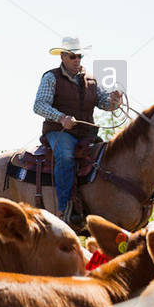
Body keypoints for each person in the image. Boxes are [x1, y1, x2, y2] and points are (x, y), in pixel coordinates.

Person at [33, 36, 123, 230]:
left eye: (79, 56)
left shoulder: (90, 80)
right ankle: (64, 208)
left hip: (86, 132)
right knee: (65, 157)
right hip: (59, 132)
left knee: (109, 155)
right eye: (73, 56)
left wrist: (114, 102)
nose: (77, 60)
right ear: (63, 56)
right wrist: (61, 118)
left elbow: (103, 102)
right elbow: (39, 105)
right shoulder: (51, 77)